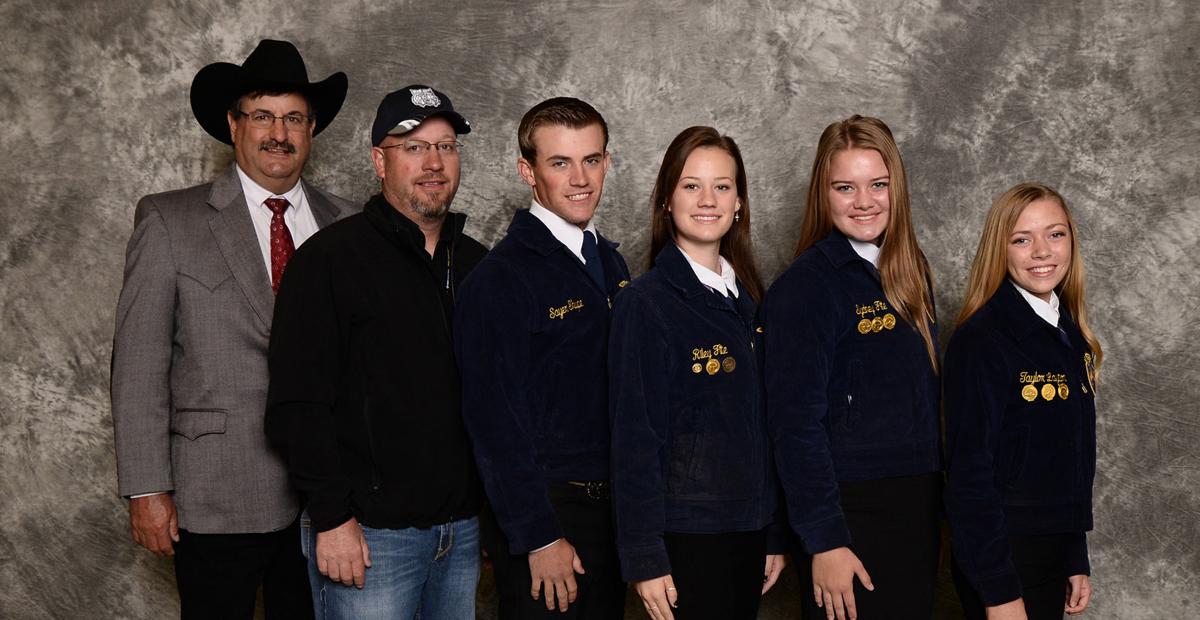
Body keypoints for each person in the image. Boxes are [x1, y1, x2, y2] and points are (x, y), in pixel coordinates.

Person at [109, 39, 353, 619]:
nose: (279, 132)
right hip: (215, 492)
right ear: (232, 123)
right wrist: (146, 488)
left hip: (331, 502)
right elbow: (140, 364)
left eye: (293, 117)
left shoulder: (348, 222)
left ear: (312, 128)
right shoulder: (170, 220)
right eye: (262, 115)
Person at [264, 85, 487, 619]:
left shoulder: (481, 264)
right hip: (369, 537)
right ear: (379, 161)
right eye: (413, 146)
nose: (434, 162)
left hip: (461, 534)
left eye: (446, 146)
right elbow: (298, 405)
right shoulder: (329, 262)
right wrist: (333, 518)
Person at [455, 96, 630, 619]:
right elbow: (493, 423)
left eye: (591, 160)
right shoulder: (500, 280)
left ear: (607, 162)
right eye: (560, 163)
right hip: (552, 520)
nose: (580, 179)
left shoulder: (609, 260)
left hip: (613, 515)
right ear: (528, 172)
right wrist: (537, 537)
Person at [763, 115, 942, 619]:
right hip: (848, 511)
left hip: (915, 504)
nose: (864, 201)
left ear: (896, 188)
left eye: (877, 184)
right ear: (824, 192)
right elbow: (794, 426)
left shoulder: (911, 269)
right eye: (845, 187)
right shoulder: (806, 287)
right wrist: (824, 540)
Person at [608, 126, 787, 620]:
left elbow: (767, 429)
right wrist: (645, 557)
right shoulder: (644, 304)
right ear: (667, 199)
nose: (707, 199)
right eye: (691, 185)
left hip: (748, 532)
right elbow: (634, 439)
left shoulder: (750, 302)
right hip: (685, 536)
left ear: (740, 203)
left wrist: (772, 530)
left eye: (722, 186)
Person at [943, 182, 1099, 620]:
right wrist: (998, 592)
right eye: (1021, 239)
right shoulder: (982, 341)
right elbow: (969, 478)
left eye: (1055, 234)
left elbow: (1070, 460)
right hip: (1004, 557)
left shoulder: (1070, 335)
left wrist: (1074, 556)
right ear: (1001, 249)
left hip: (1052, 552)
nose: (1042, 252)